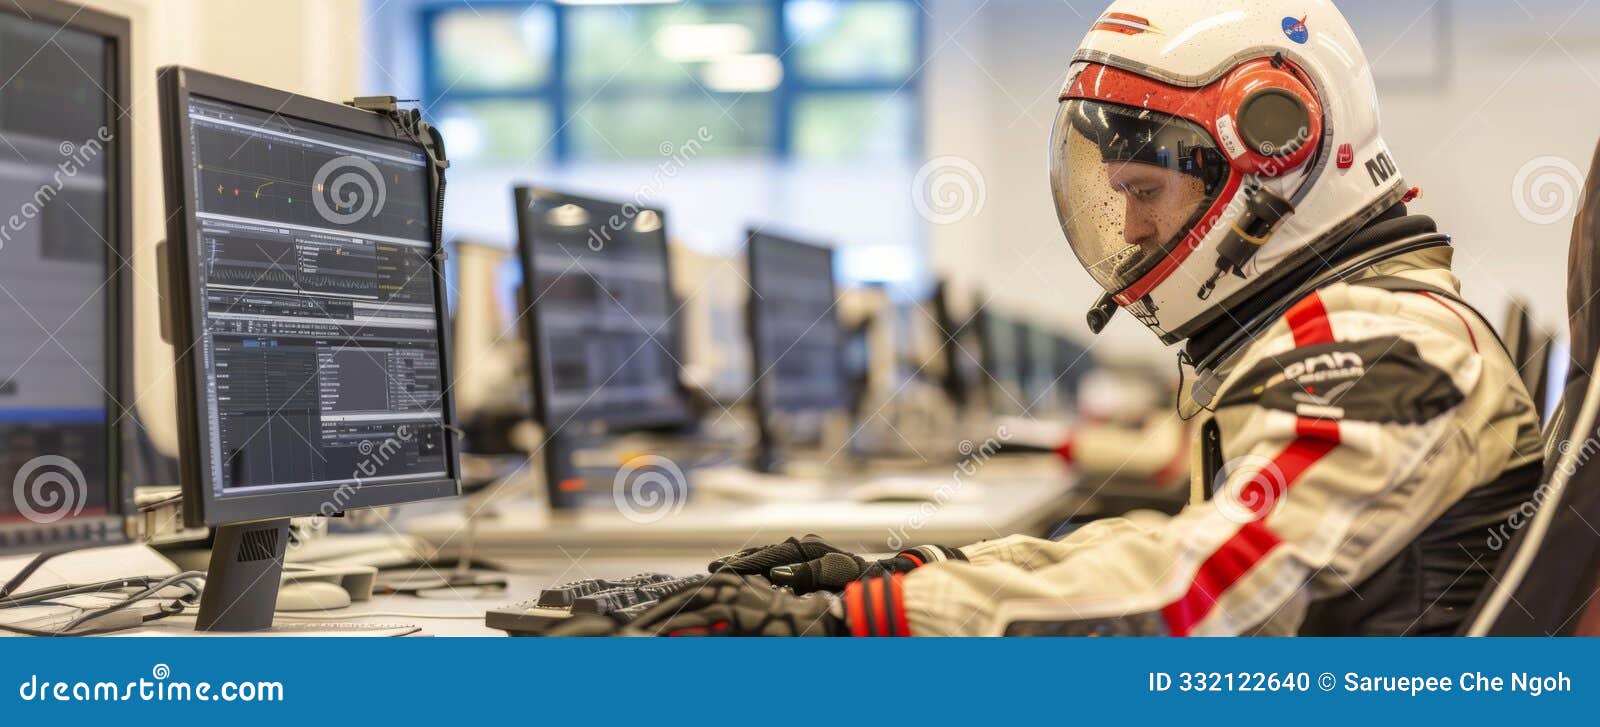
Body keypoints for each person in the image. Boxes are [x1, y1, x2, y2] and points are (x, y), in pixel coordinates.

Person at [617, 0, 1544, 637]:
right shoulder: (1359, 328)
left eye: (1146, 191)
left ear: (1270, 151)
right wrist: (897, 576)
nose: (1134, 229)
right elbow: (1189, 542)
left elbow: (1192, 600)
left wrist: (858, 625)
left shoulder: (1386, 348)